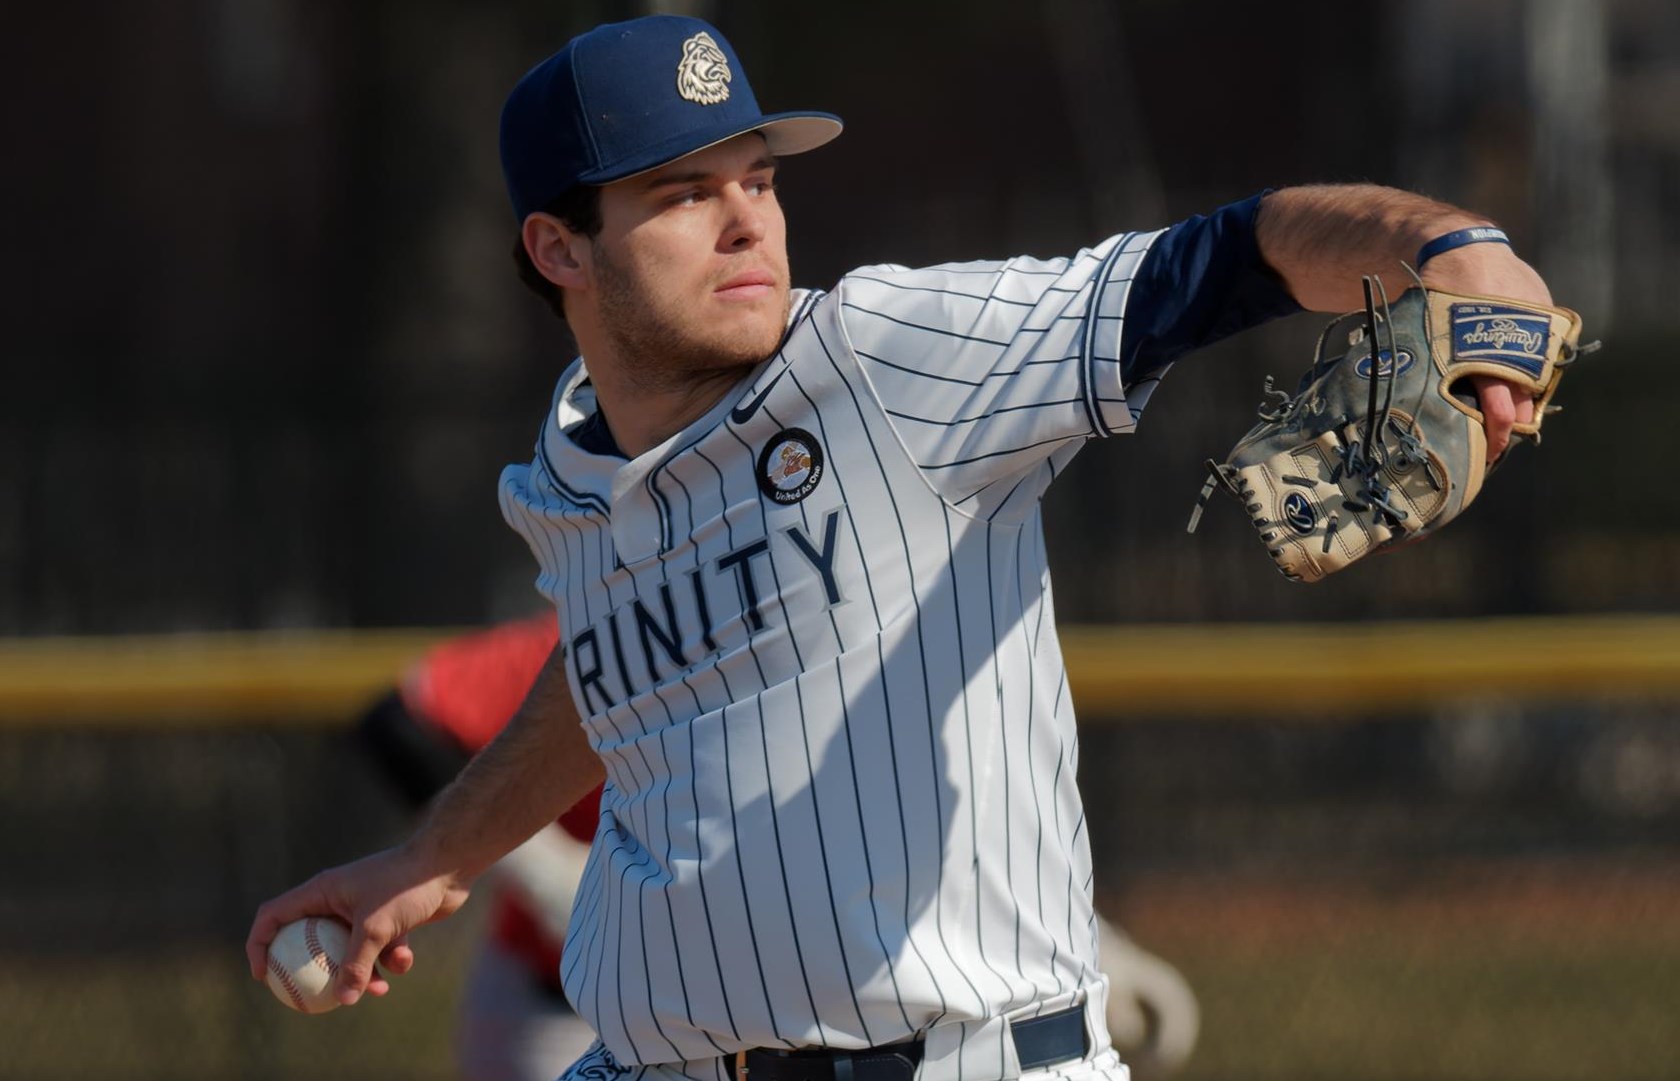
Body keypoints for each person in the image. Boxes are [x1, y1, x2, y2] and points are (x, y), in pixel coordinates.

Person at [248, 14, 1555, 1081]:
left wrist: (1457, 249)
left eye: (755, 178)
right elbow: (619, 672)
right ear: (557, 246)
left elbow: (1221, 260)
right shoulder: (576, 467)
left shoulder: (890, 360)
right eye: (682, 192)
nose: (748, 219)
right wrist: (432, 857)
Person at [356, 617, 1199, 1081]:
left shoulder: (818, 659)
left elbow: (931, 831)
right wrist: (542, 872)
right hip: (552, 1015)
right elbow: (397, 723)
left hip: (752, 1028)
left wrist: (1095, 944)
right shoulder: (615, 631)